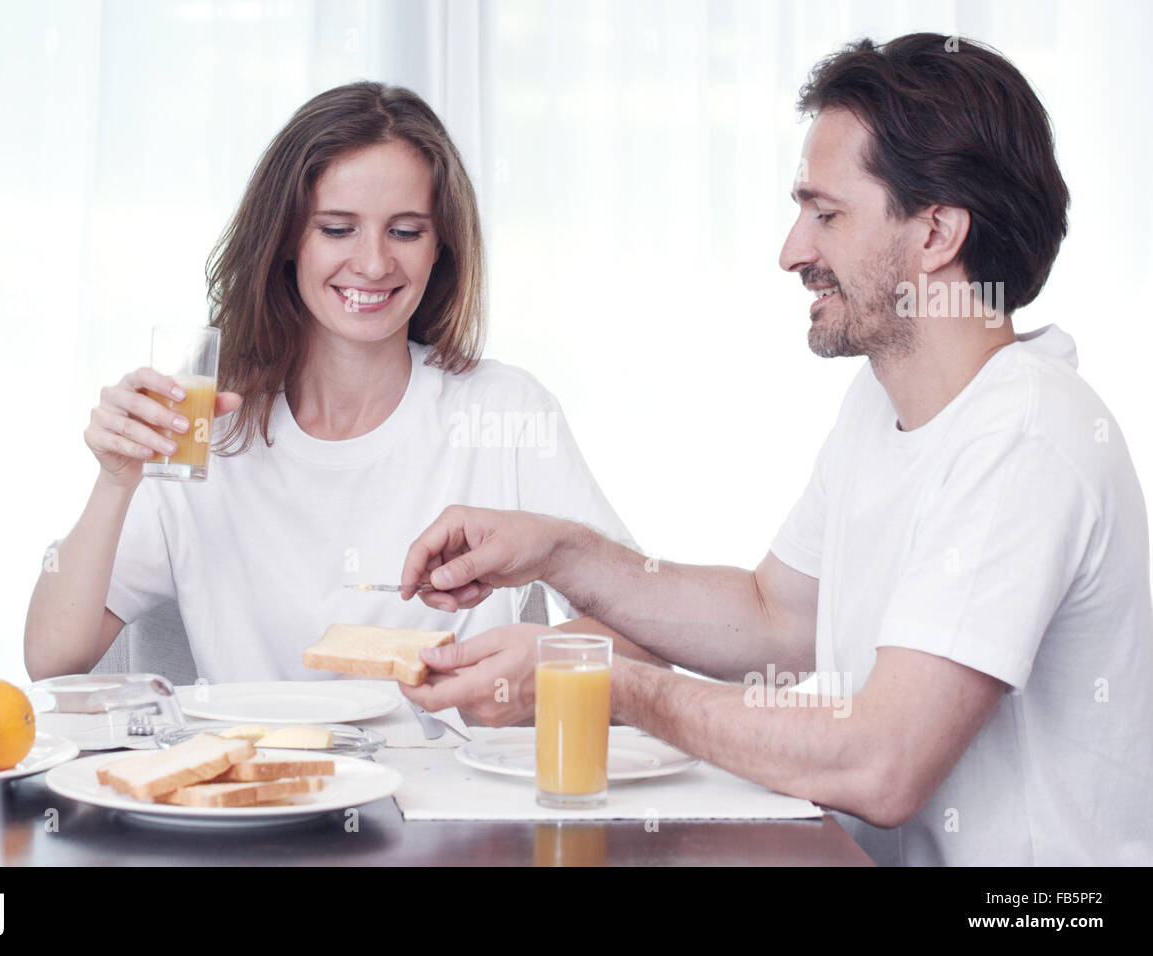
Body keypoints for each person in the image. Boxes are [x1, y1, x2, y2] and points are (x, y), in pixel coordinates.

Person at [397, 34, 1153, 866]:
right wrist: (560, 550)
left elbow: (880, 762)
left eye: (826, 214)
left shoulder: (1025, 435)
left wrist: (611, 686)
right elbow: (774, 618)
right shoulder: (886, 405)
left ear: (937, 232)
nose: (792, 251)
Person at [24, 81, 645, 685]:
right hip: (266, 785)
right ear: (288, 239)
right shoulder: (200, 427)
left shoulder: (506, 412)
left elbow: (644, 643)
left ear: (440, 248)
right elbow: (52, 657)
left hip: (453, 787)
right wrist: (115, 480)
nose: (374, 263)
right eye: (337, 228)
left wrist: (541, 658)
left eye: (405, 231)